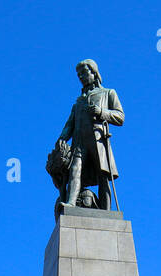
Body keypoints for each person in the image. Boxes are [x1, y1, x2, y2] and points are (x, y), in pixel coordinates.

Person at [56, 59, 124, 211]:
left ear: (94, 72)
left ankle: (106, 210)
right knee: (74, 170)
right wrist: (62, 138)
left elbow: (120, 116)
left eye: (83, 73)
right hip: (79, 142)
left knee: (103, 175)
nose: (81, 77)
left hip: (99, 140)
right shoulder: (78, 102)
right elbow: (70, 124)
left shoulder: (108, 93)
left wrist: (102, 112)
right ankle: (71, 203)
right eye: (78, 74)